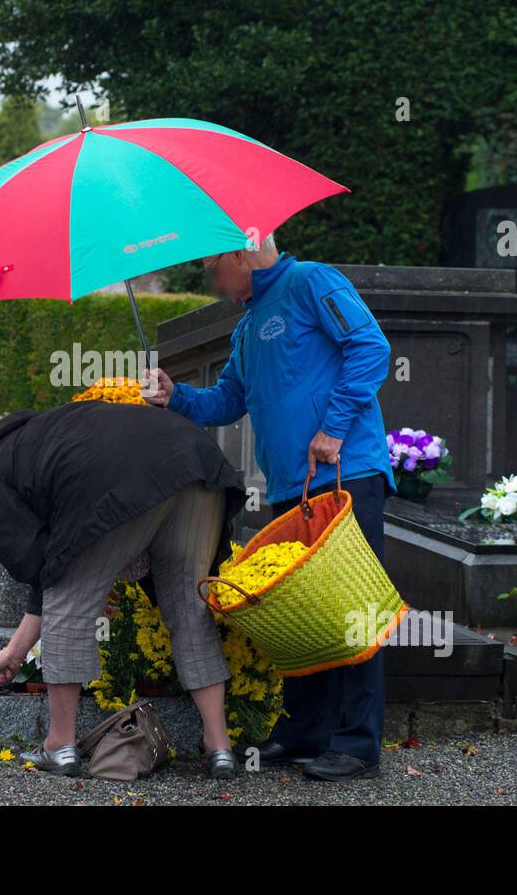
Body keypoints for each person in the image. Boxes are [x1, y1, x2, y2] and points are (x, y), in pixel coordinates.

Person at [144, 232, 394, 781]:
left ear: (238, 254)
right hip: (293, 486)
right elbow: (228, 400)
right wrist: (175, 396)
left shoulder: (311, 281)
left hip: (344, 472)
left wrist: (333, 428)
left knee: (352, 607)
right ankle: (306, 733)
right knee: (303, 611)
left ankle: (357, 744)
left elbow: (372, 348)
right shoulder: (247, 326)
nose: (212, 281)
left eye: (212, 269)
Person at [0, 399, 248, 779]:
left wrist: (85, 585)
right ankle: (220, 749)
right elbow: (50, 563)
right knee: (190, 611)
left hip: (124, 476)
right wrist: (16, 652)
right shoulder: (41, 435)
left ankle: (59, 746)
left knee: (68, 607)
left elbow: (42, 568)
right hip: (197, 461)